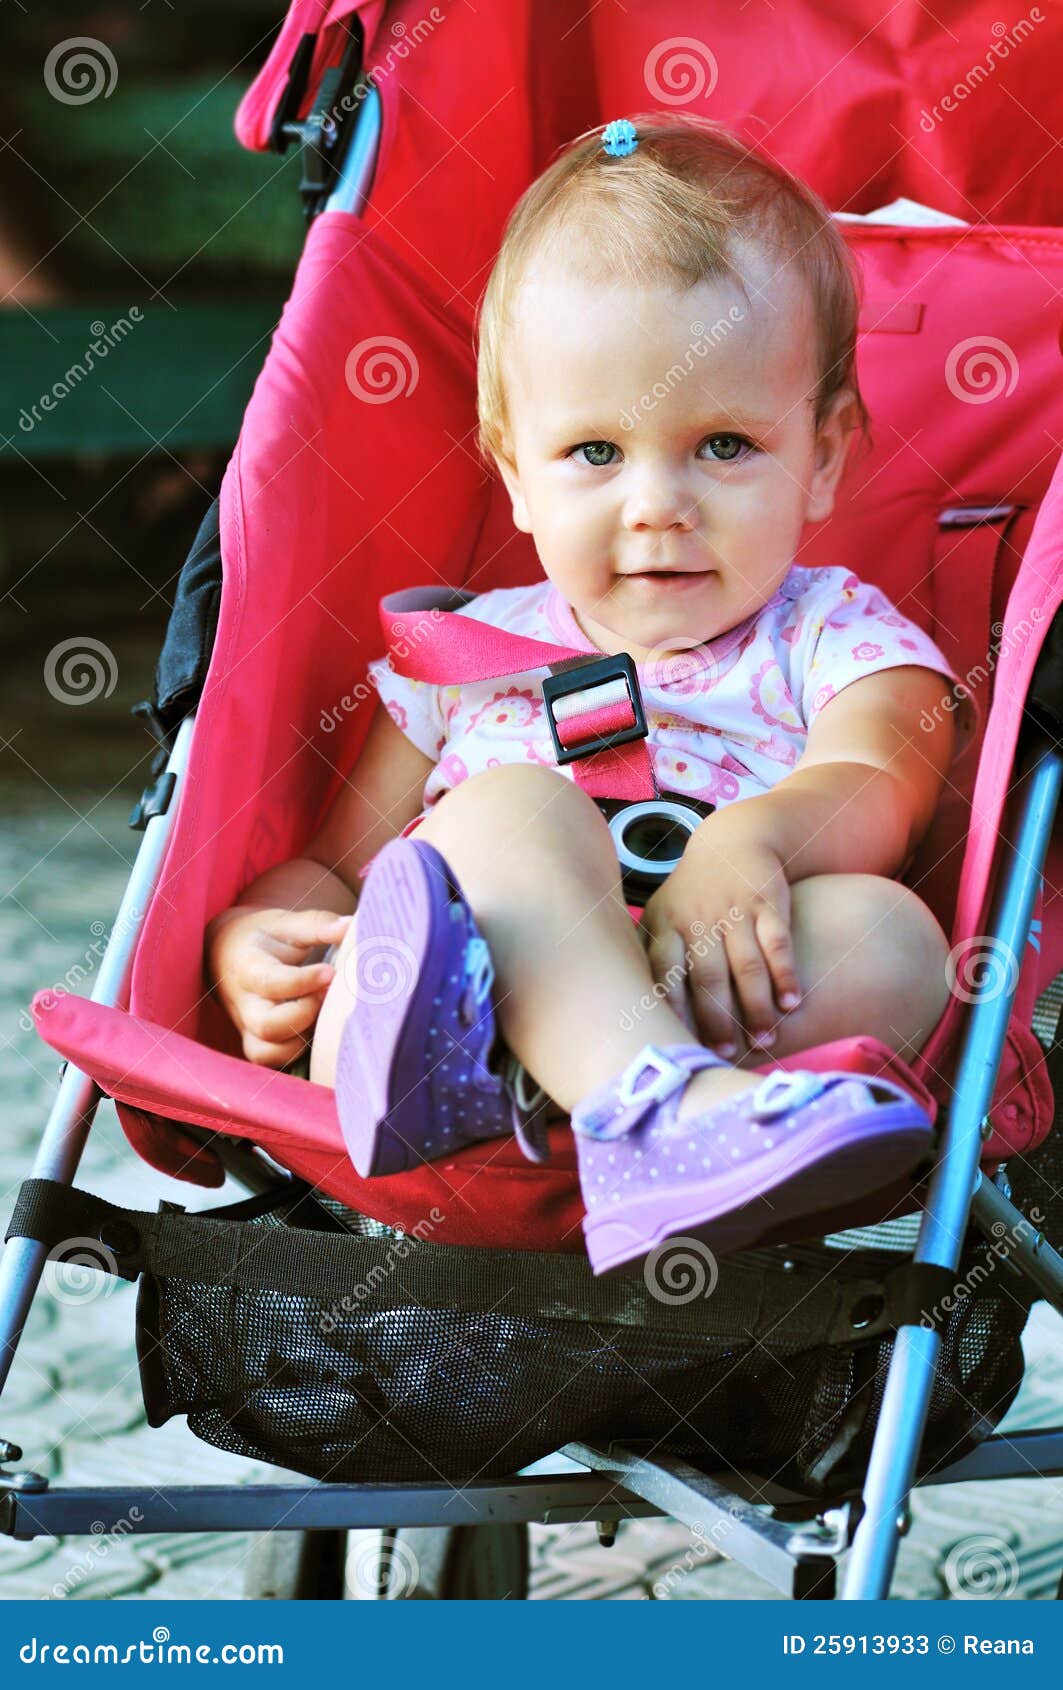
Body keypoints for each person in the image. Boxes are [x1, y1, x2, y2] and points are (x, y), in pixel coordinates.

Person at [206, 116, 977, 1274]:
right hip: (436, 1035)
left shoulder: (831, 632)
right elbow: (338, 866)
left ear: (822, 457)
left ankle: (647, 1104)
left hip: (708, 985)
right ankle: (646, 1111)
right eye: (597, 454)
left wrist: (752, 843)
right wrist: (255, 939)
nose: (657, 503)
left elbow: (882, 780)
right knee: (509, 811)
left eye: (724, 445)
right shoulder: (461, 653)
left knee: (897, 940)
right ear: (515, 472)